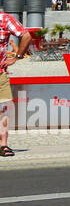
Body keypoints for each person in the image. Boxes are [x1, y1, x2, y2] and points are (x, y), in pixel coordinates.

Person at [0, 10, 33, 156]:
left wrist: (17, 56)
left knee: (4, 109)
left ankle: (3, 145)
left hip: (0, 73)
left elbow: (26, 36)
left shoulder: (5, 19)